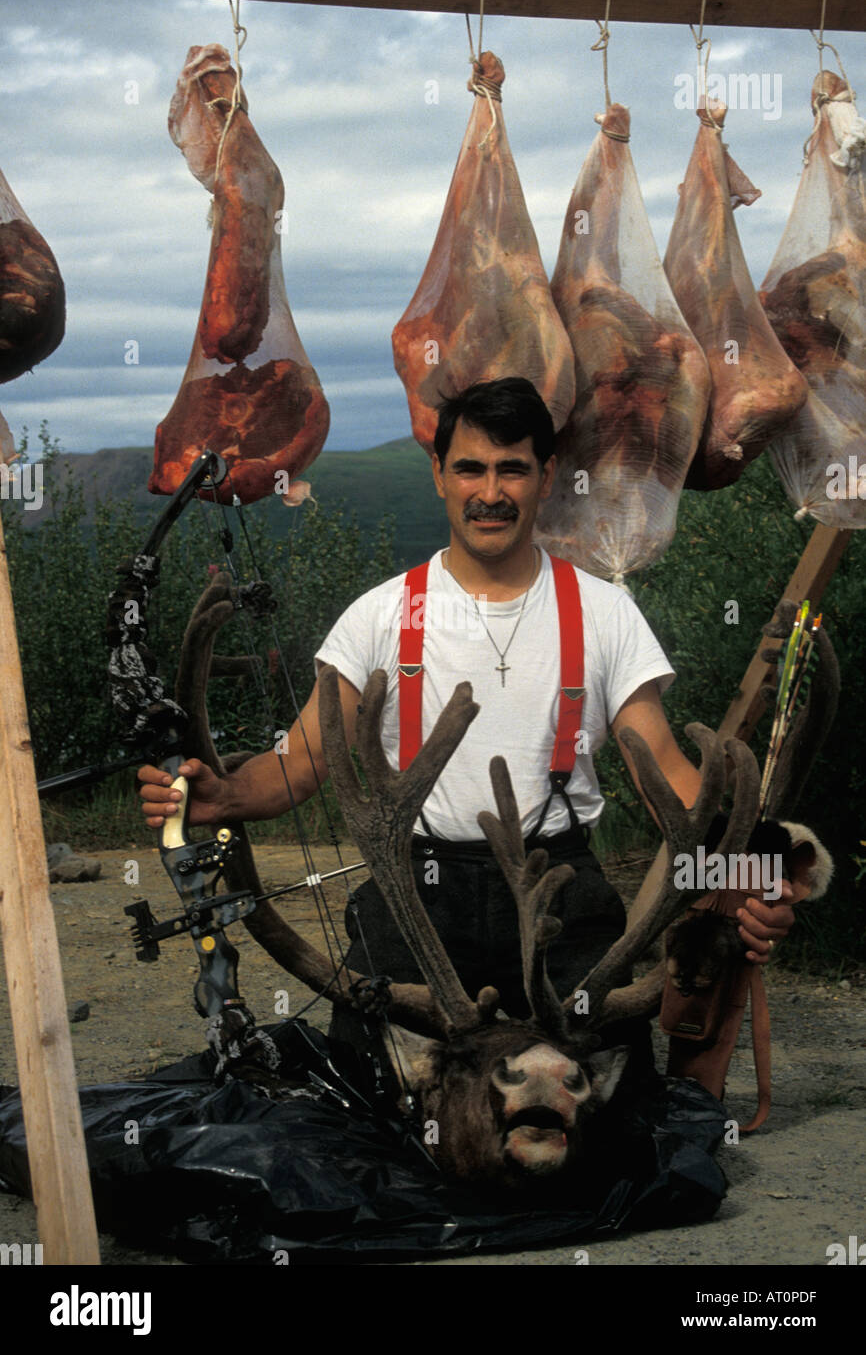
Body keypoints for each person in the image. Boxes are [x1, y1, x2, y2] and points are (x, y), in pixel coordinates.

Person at [138, 377, 795, 1060]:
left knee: (601, 1098)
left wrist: (748, 880)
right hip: (417, 897)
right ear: (439, 477)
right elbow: (296, 766)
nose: (490, 493)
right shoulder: (380, 617)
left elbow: (664, 770)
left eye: (512, 470)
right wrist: (222, 794)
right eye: (471, 469)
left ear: (545, 477)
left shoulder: (603, 614)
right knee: (374, 1098)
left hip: (559, 899)